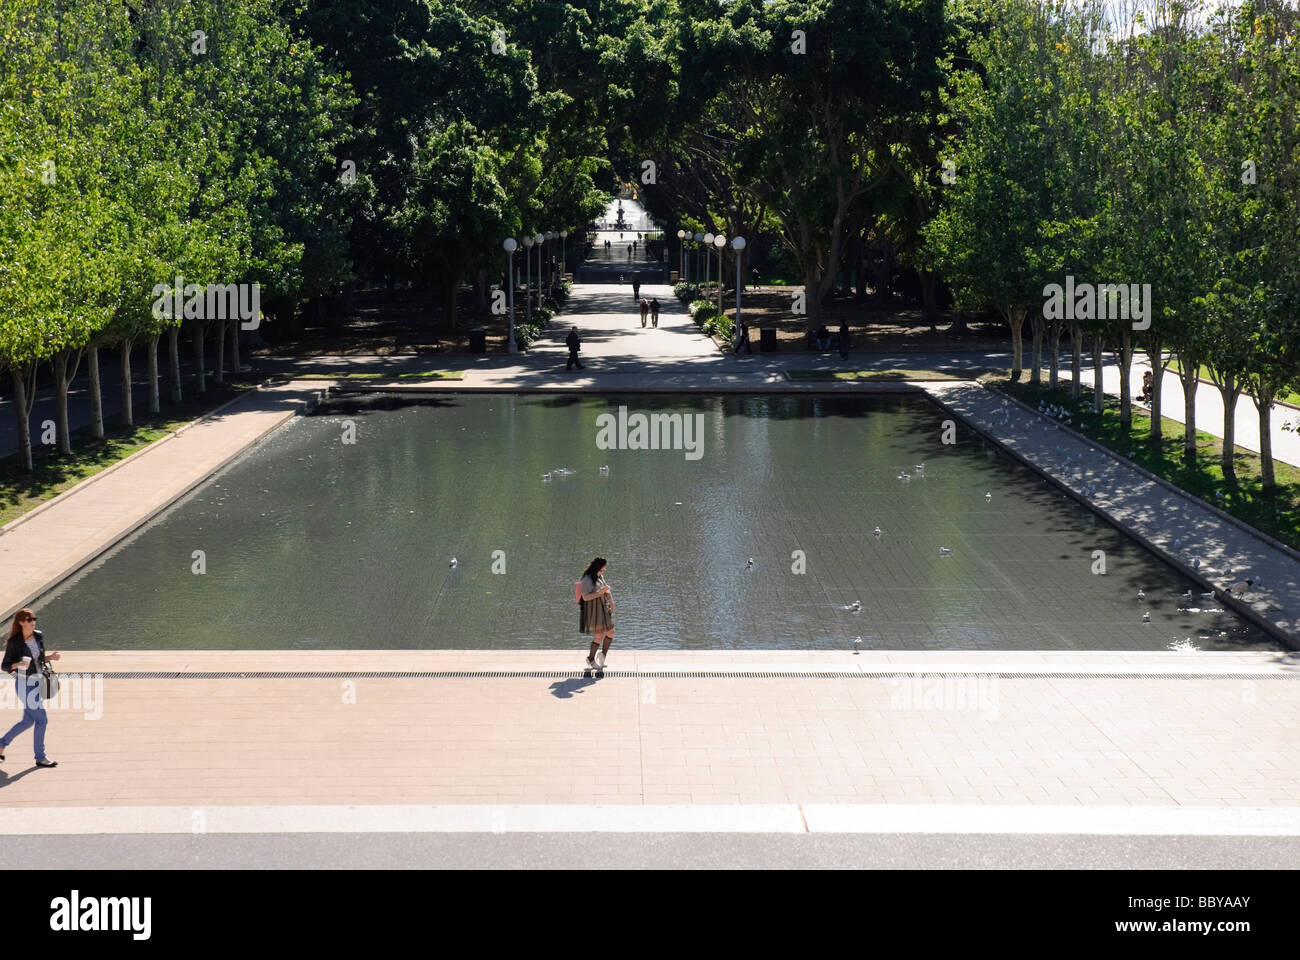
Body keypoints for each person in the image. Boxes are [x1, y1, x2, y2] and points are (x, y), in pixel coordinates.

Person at [0, 608, 60, 767]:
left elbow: (39, 659)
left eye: (34, 619)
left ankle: (1, 744)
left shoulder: (38, 636)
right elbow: (5, 666)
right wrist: (17, 664)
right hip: (24, 684)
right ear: (21, 622)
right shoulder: (15, 642)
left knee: (28, 721)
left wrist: (50, 657)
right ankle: (40, 757)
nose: (33, 622)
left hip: (38, 682)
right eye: (29, 620)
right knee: (42, 720)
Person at [578, 557, 615, 670]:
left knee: (611, 632)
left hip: (603, 608)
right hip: (594, 610)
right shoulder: (587, 579)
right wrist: (600, 593)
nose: (603, 572)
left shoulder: (599, 576)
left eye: (604, 570)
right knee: (599, 635)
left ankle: (602, 655)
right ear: (596, 568)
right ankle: (591, 658)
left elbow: (606, 590)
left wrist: (612, 603)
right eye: (602, 570)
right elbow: (585, 597)